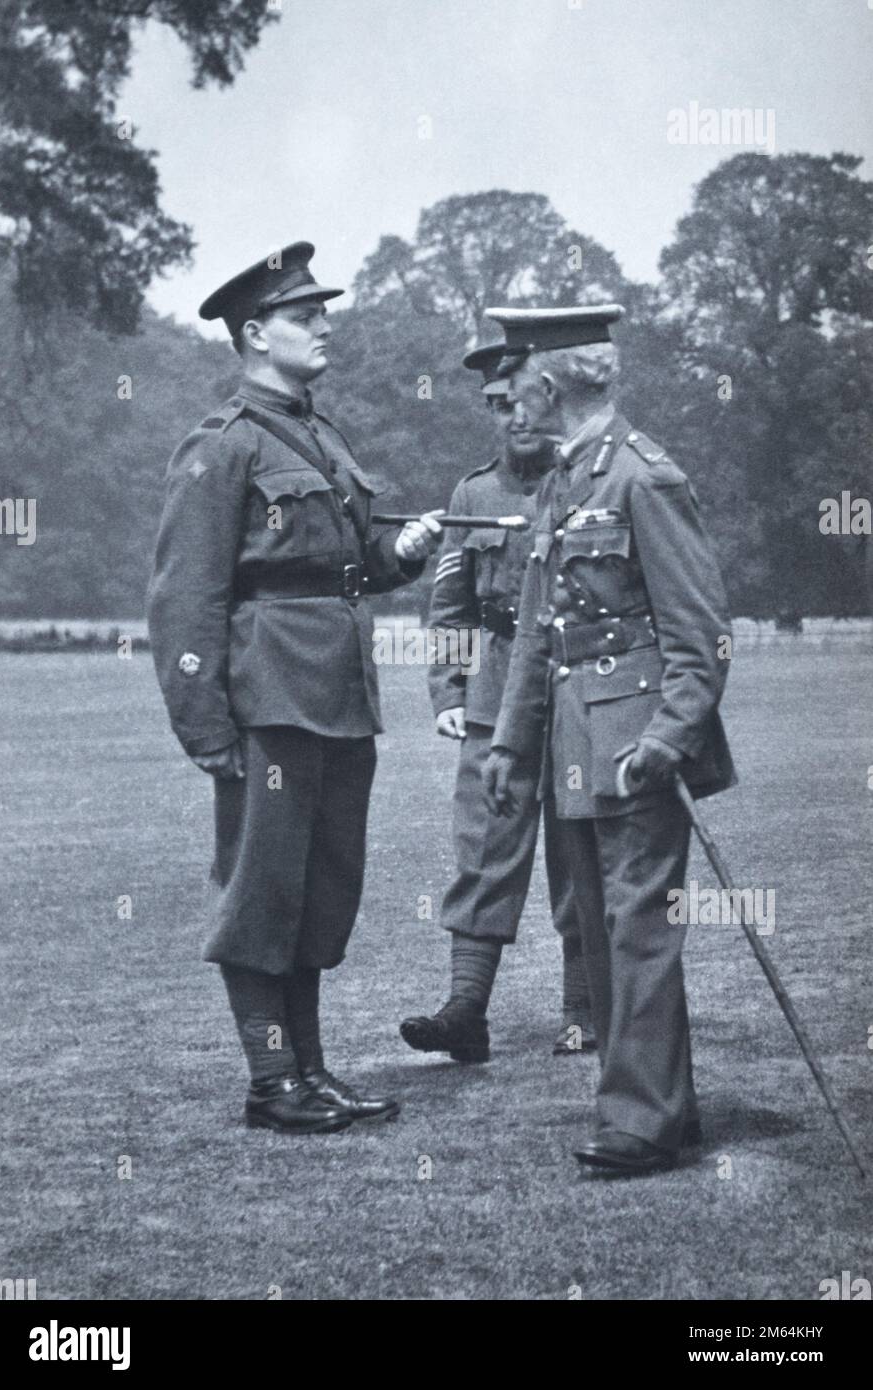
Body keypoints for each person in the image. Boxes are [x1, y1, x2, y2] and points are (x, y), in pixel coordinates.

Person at [148, 242, 442, 1135]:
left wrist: (400, 556)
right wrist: (206, 729)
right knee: (262, 891)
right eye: (303, 316)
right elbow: (185, 595)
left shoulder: (323, 436)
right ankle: (271, 1079)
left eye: (323, 313)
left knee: (320, 888)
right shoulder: (221, 447)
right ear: (252, 334)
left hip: (340, 694)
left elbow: (338, 572)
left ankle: (311, 1071)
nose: (323, 326)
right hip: (268, 696)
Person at [483, 305, 736, 1174]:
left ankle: (644, 1120)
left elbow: (699, 636)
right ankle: (664, 1104)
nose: (511, 400)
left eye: (518, 382)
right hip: (574, 748)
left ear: (550, 384)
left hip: (636, 749)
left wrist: (669, 738)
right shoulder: (562, 482)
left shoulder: (644, 477)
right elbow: (536, 632)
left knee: (637, 931)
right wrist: (511, 749)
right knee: (598, 931)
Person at [400, 342, 595, 1064]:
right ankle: (465, 1011)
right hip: (494, 688)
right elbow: (450, 607)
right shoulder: (472, 495)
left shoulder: (590, 481)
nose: (511, 419)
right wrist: (449, 691)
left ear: (549, 399)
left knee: (584, 852)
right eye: (496, 407)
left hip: (577, 684)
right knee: (483, 849)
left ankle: (584, 1012)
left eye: (520, 402)